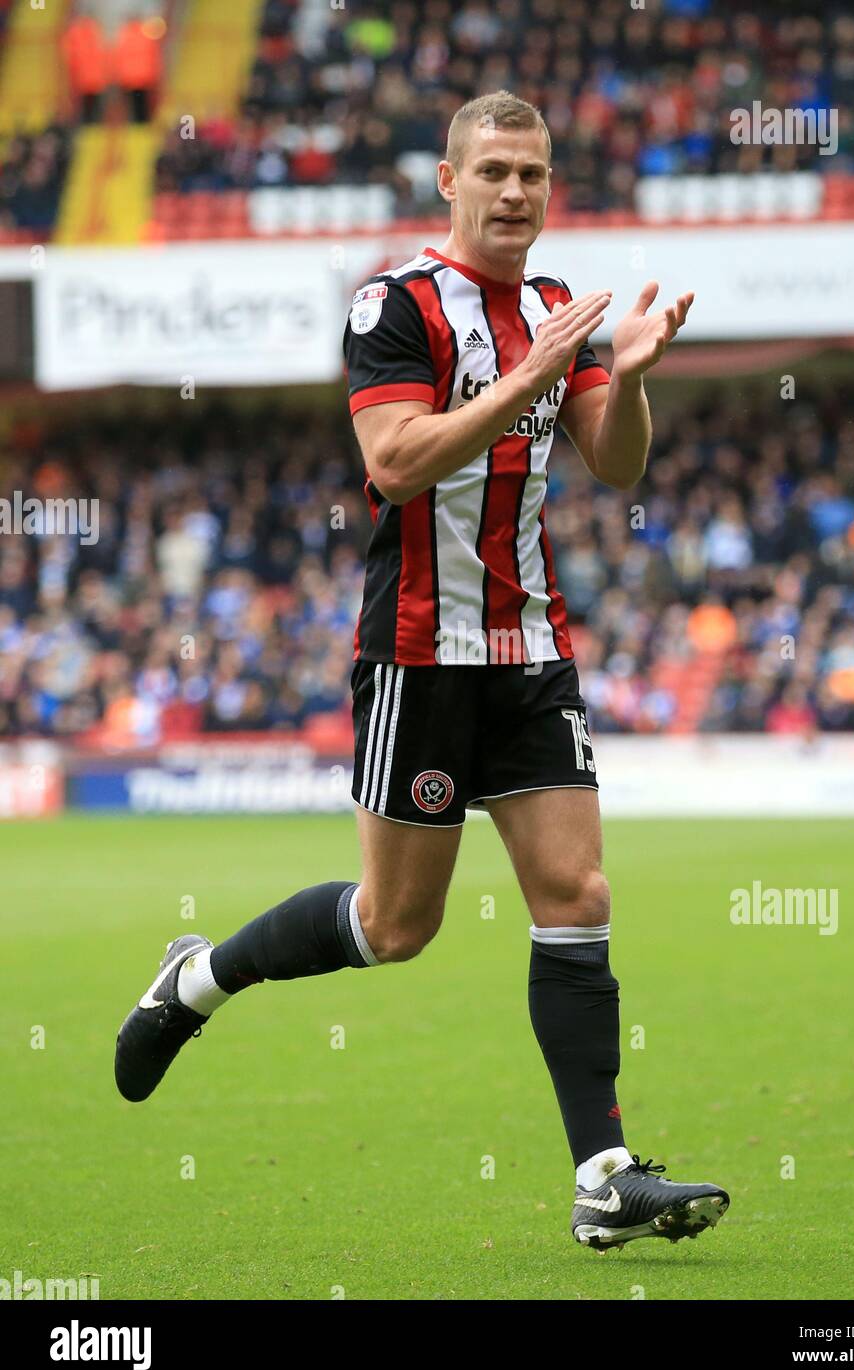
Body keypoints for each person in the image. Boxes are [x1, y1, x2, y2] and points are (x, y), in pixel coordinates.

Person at [115, 89, 730, 1253]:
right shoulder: (392, 306)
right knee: (397, 927)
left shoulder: (555, 308)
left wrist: (630, 376)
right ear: (448, 181)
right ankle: (196, 979)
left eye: (533, 174)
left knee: (576, 896)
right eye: (492, 170)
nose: (513, 192)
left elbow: (612, 465)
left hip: (530, 649)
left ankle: (601, 1176)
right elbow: (394, 466)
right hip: (416, 655)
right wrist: (526, 381)